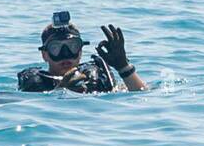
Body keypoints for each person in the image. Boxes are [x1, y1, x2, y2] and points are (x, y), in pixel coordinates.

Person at [17, 11, 147, 93]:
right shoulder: (33, 84)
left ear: (80, 51)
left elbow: (141, 95)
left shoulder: (97, 77)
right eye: (56, 48)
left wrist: (123, 67)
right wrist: (61, 90)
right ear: (44, 54)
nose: (66, 54)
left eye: (72, 46)